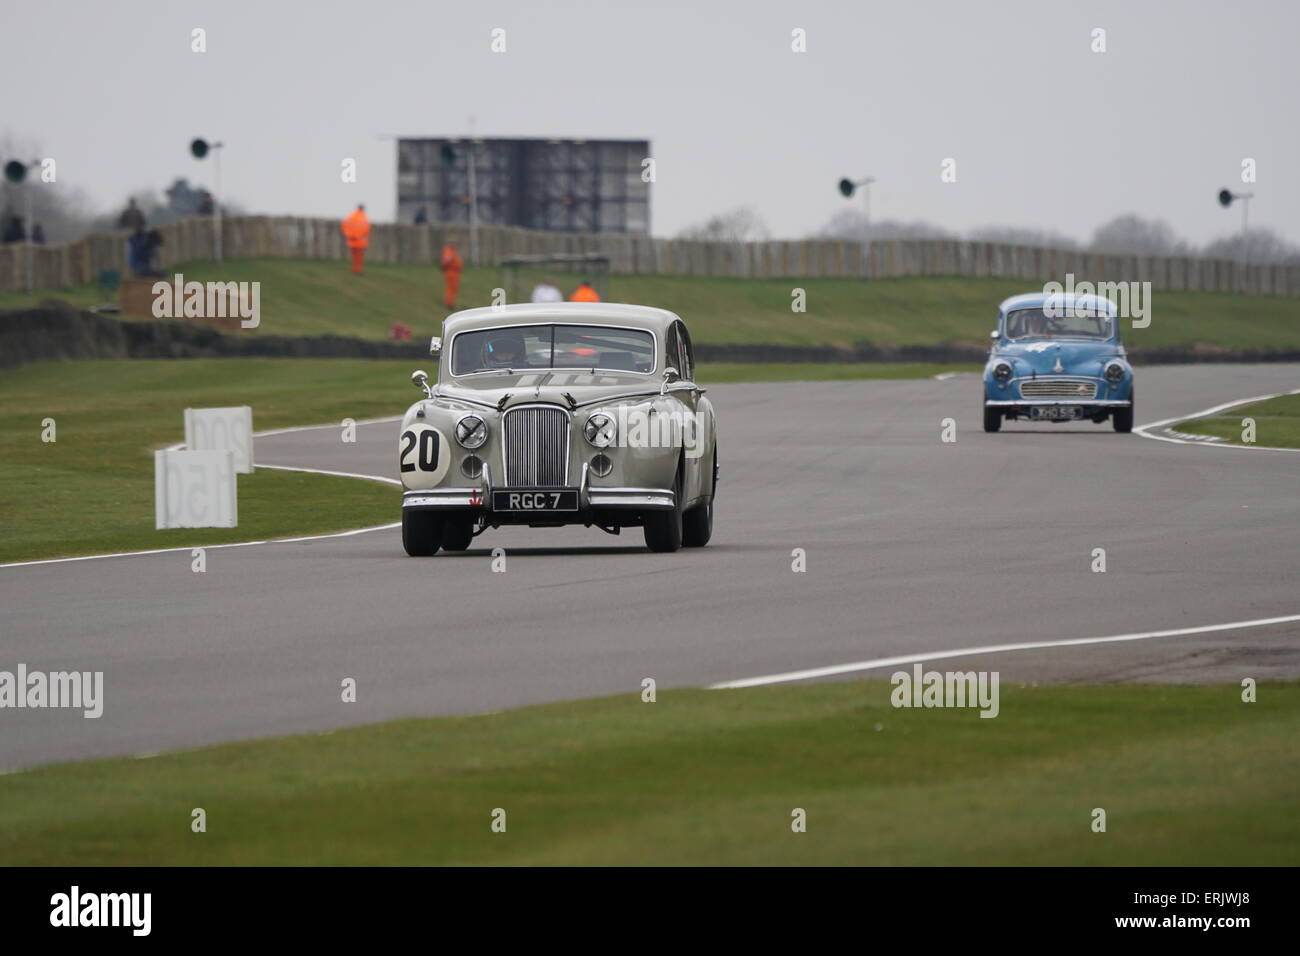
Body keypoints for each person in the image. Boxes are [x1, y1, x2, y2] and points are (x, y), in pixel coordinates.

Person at [340, 204, 371, 275]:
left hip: (351, 240)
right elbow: (367, 228)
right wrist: (359, 236)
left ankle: (355, 269)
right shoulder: (364, 217)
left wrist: (349, 235)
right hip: (360, 240)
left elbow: (344, 226)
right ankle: (358, 270)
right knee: (359, 257)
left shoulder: (351, 216)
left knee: (354, 256)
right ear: (363, 209)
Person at [440, 241, 463, 310]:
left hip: (454, 271)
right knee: (451, 288)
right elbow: (447, 259)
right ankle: (449, 304)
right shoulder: (448, 250)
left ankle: (450, 303)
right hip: (451, 271)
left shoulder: (451, 251)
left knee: (453, 288)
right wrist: (444, 266)